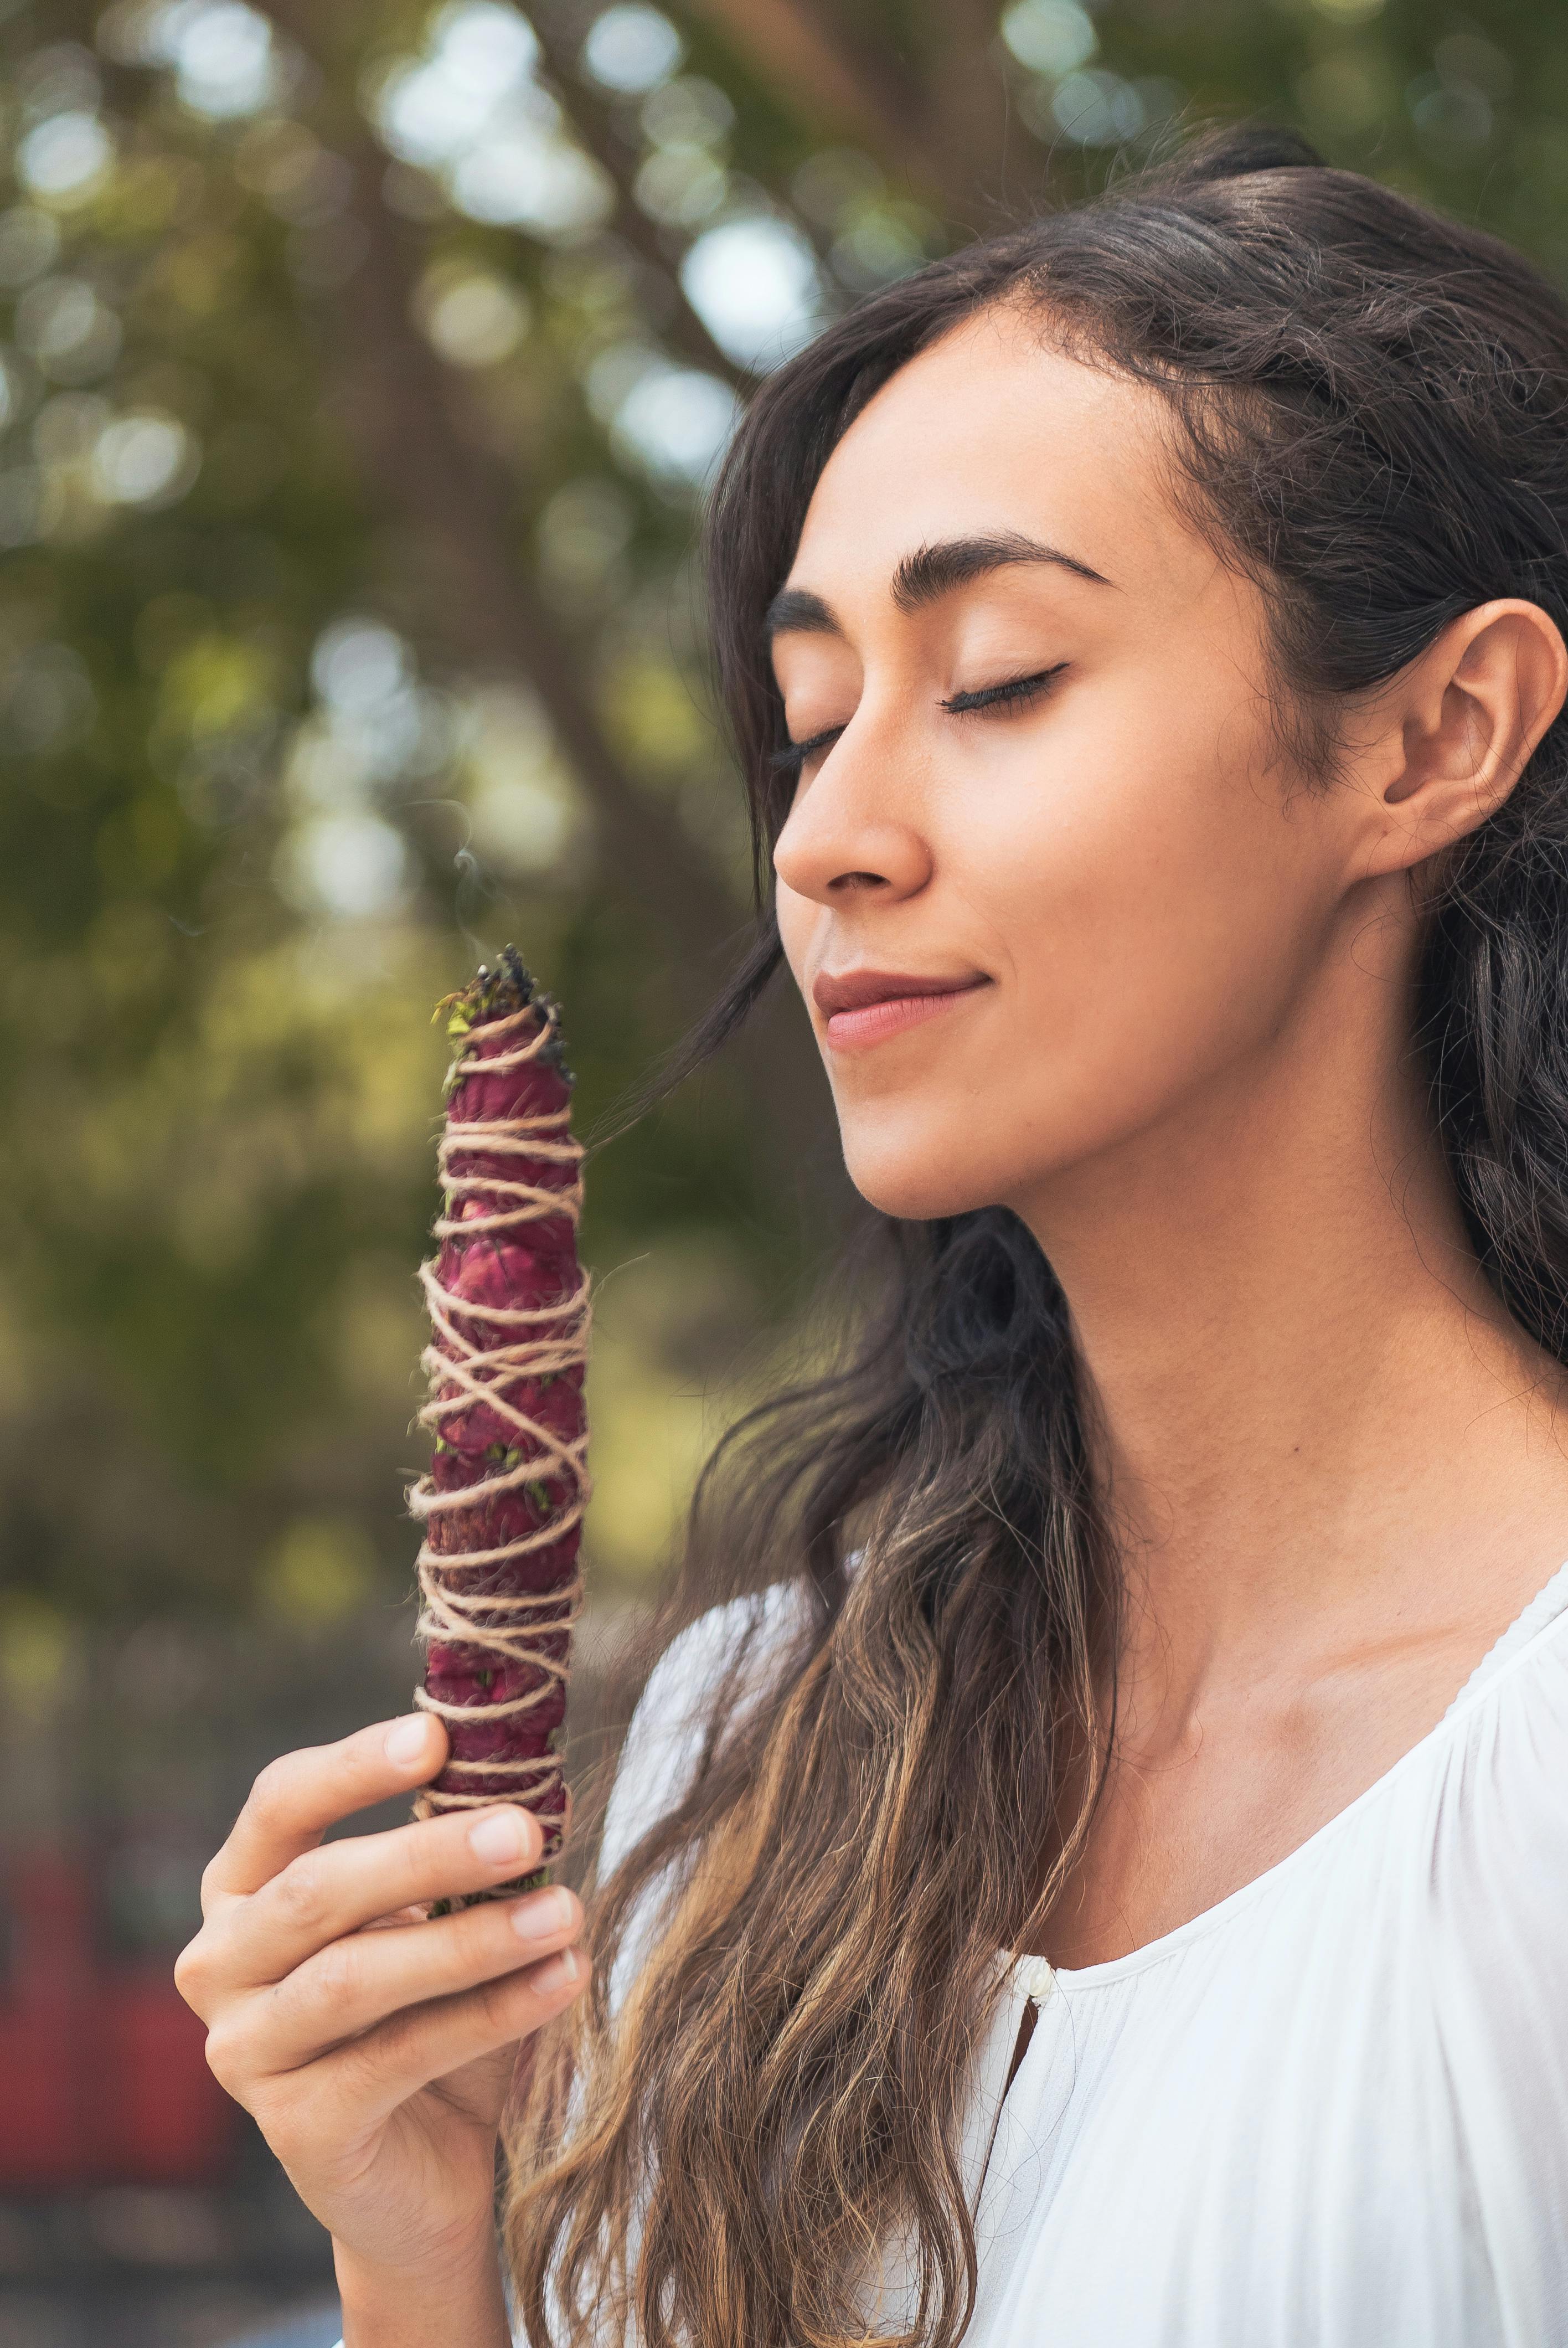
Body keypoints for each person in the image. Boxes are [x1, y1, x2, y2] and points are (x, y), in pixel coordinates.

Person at [177, 127, 1568, 2346]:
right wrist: (432, 2239)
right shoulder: (748, 1760)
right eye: (812, 719)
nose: (826, 833)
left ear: (1433, 734)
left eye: (999, 675)